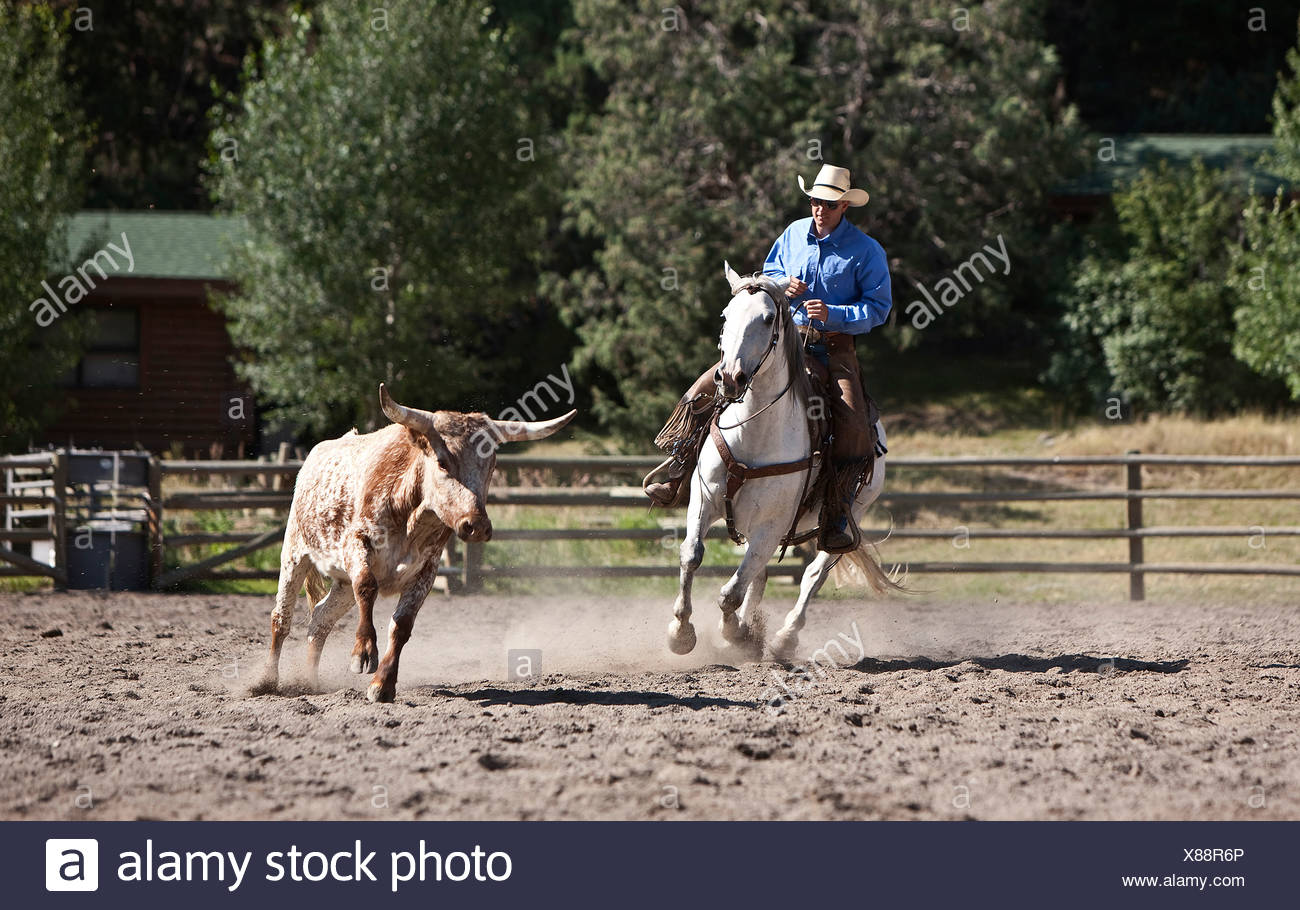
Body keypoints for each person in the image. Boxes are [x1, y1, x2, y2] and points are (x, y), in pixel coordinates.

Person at [644, 163, 891, 553]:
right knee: (707, 386)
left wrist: (834, 314)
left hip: (833, 348)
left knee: (852, 418)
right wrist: (782, 286)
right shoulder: (793, 234)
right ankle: (679, 466)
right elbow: (764, 278)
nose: (819, 209)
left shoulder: (866, 251)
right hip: (780, 341)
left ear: (844, 205)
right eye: (814, 201)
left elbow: (878, 308)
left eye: (828, 203)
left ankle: (838, 511)